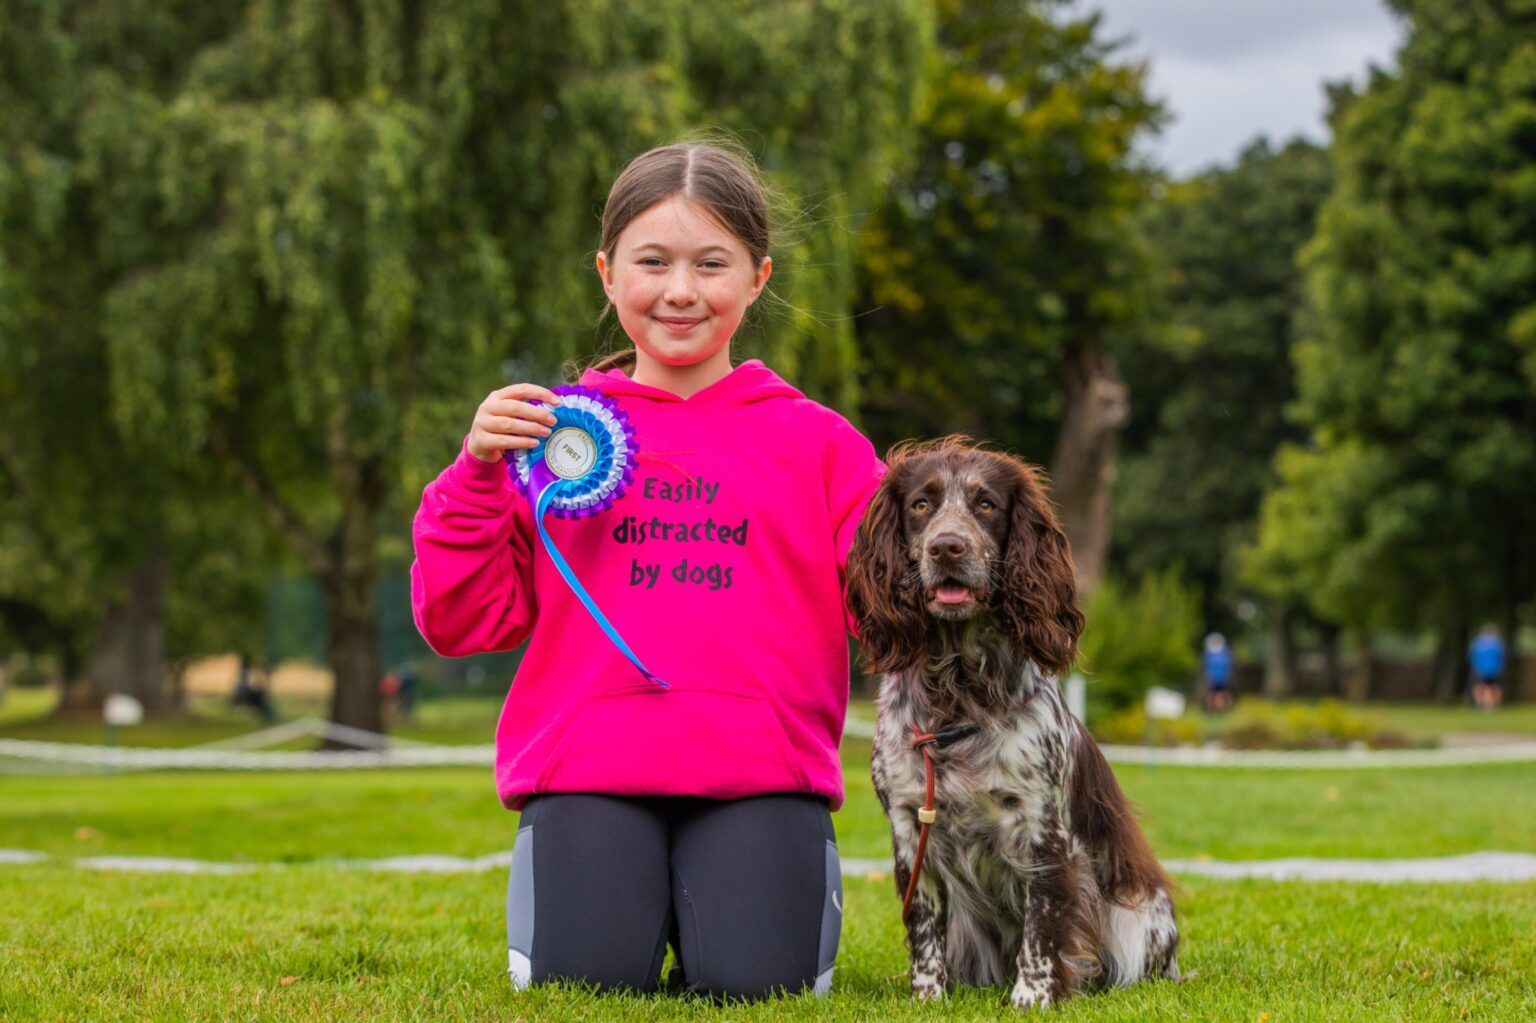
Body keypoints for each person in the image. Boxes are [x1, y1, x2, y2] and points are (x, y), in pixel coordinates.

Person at [410, 140, 884, 1002]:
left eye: (712, 264)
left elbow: (900, 611)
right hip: (589, 769)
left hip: (761, 775)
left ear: (757, 276)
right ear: (606, 272)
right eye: (652, 261)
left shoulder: (821, 443)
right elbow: (462, 624)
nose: (680, 291)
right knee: (588, 984)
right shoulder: (550, 437)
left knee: (758, 986)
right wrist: (475, 470)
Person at [1468, 625, 1506, 711]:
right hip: (1492, 669)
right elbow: (1502, 657)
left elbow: (1472, 656)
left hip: (1482, 669)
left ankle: (1483, 705)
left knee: (1483, 687)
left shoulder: (1477, 643)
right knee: (1492, 687)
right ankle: (1493, 705)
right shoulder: (1497, 643)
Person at [1202, 632, 1234, 713]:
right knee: (1215, 694)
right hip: (1216, 678)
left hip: (1220, 678)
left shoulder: (1220, 653)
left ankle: (1219, 710)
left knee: (1219, 694)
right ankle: (1217, 710)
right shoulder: (1223, 653)